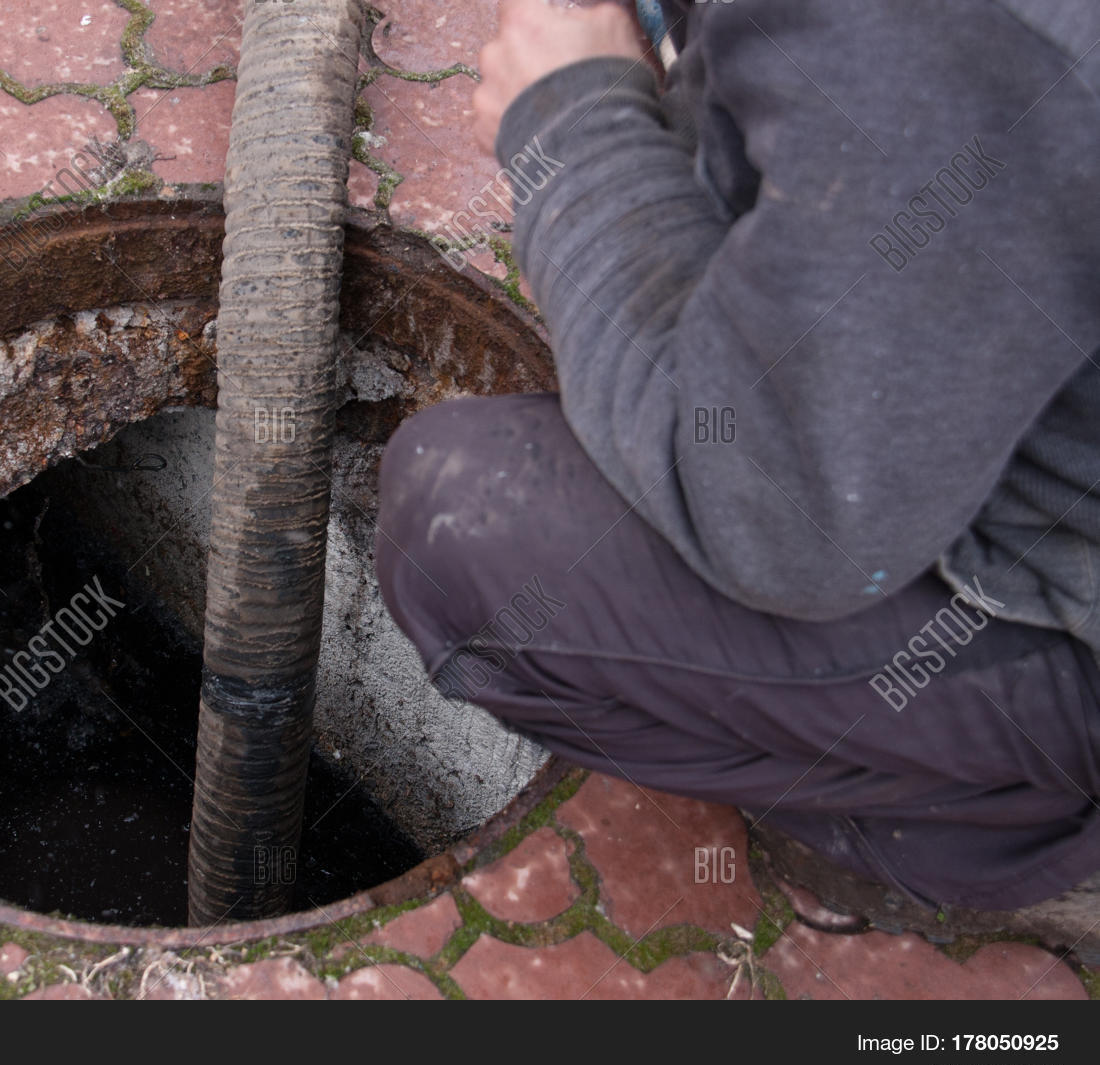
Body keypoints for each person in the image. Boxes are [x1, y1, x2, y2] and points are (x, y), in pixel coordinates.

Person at [375, 0, 1100, 958]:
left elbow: (776, 521)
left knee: (459, 529)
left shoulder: (960, 41)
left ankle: (1006, 832)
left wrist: (573, 119)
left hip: (1046, 597)